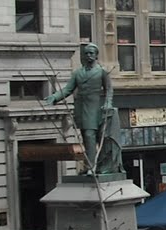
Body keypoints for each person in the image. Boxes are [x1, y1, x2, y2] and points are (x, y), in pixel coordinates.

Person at [42, 42, 119, 174]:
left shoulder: (101, 72)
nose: (88, 56)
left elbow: (109, 90)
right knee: (85, 137)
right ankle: (90, 165)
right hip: (81, 108)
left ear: (96, 56)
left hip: (94, 108)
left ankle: (92, 167)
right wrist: (54, 97)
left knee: (90, 135)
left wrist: (108, 103)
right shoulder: (78, 73)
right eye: (86, 53)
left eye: (91, 53)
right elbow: (68, 89)